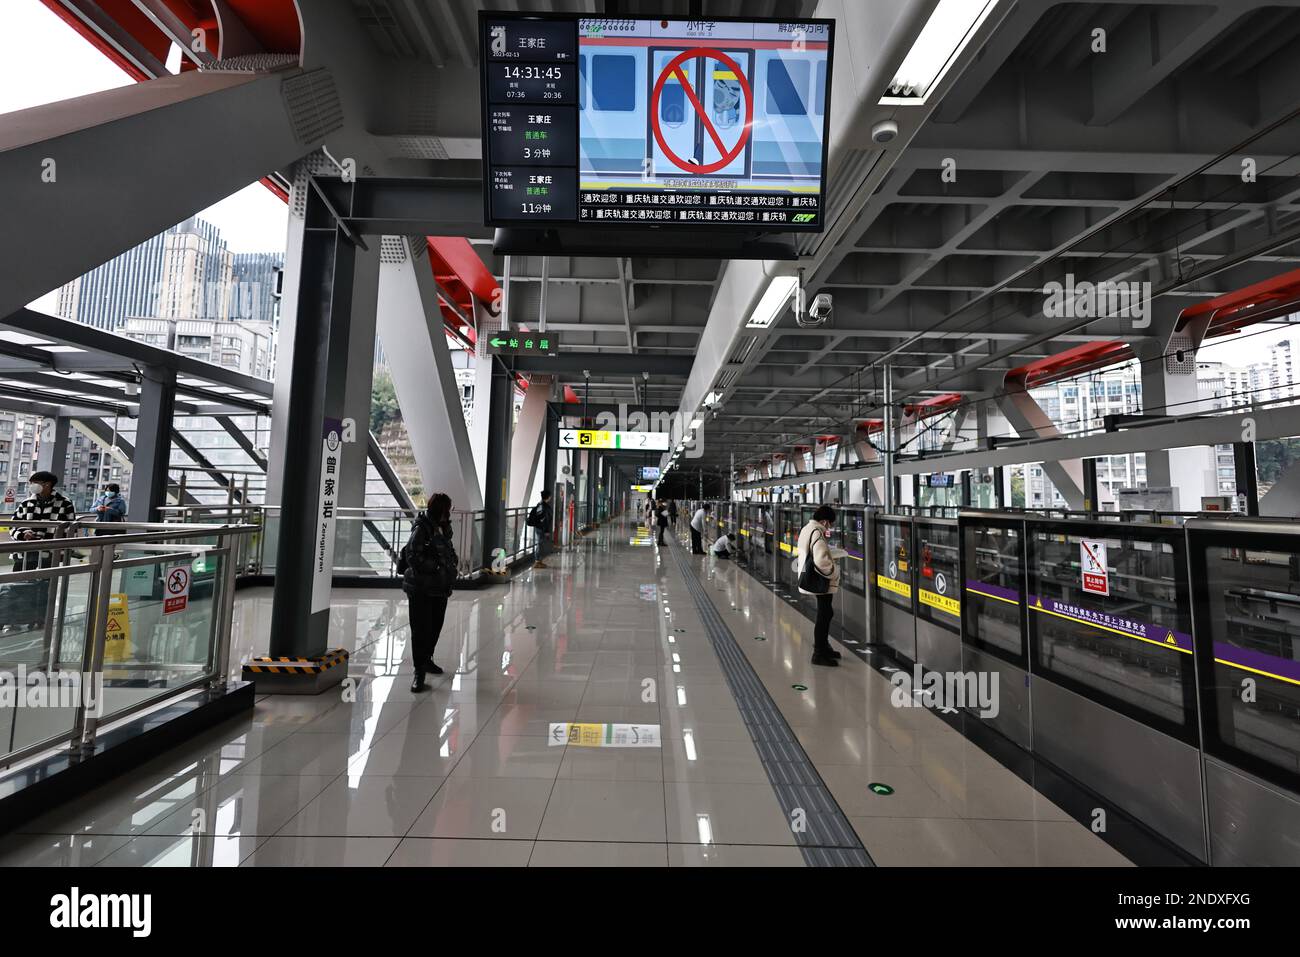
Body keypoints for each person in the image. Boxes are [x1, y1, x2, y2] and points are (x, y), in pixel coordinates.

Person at [400, 492, 458, 692]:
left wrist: (452, 563)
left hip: (439, 587)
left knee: (435, 627)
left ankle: (427, 659)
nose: (449, 512)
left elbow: (447, 550)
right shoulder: (422, 528)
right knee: (420, 630)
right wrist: (437, 568)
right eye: (448, 509)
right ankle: (419, 671)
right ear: (441, 509)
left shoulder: (443, 527)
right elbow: (412, 556)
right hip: (421, 588)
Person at [797, 505, 844, 667]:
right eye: (830, 523)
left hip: (811, 576)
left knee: (826, 612)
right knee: (824, 615)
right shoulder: (817, 532)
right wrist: (835, 571)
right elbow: (822, 561)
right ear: (824, 521)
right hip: (820, 579)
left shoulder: (807, 528)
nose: (830, 527)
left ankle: (824, 647)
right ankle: (819, 653)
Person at [10, 471, 76, 572]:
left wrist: (62, 550)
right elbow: (13, 525)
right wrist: (23, 535)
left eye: (35, 483)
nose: (31, 486)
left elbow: (70, 529)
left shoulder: (65, 503)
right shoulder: (26, 503)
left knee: (46, 579)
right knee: (18, 579)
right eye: (30, 483)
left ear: (47, 484)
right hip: (26, 551)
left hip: (50, 552)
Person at [528, 490, 554, 568]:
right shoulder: (544, 507)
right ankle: (537, 562)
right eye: (550, 496)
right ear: (548, 497)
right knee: (540, 544)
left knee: (540, 543)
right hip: (541, 528)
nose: (550, 497)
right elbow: (545, 520)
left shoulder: (541, 505)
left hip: (539, 527)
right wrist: (546, 531)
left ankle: (539, 561)